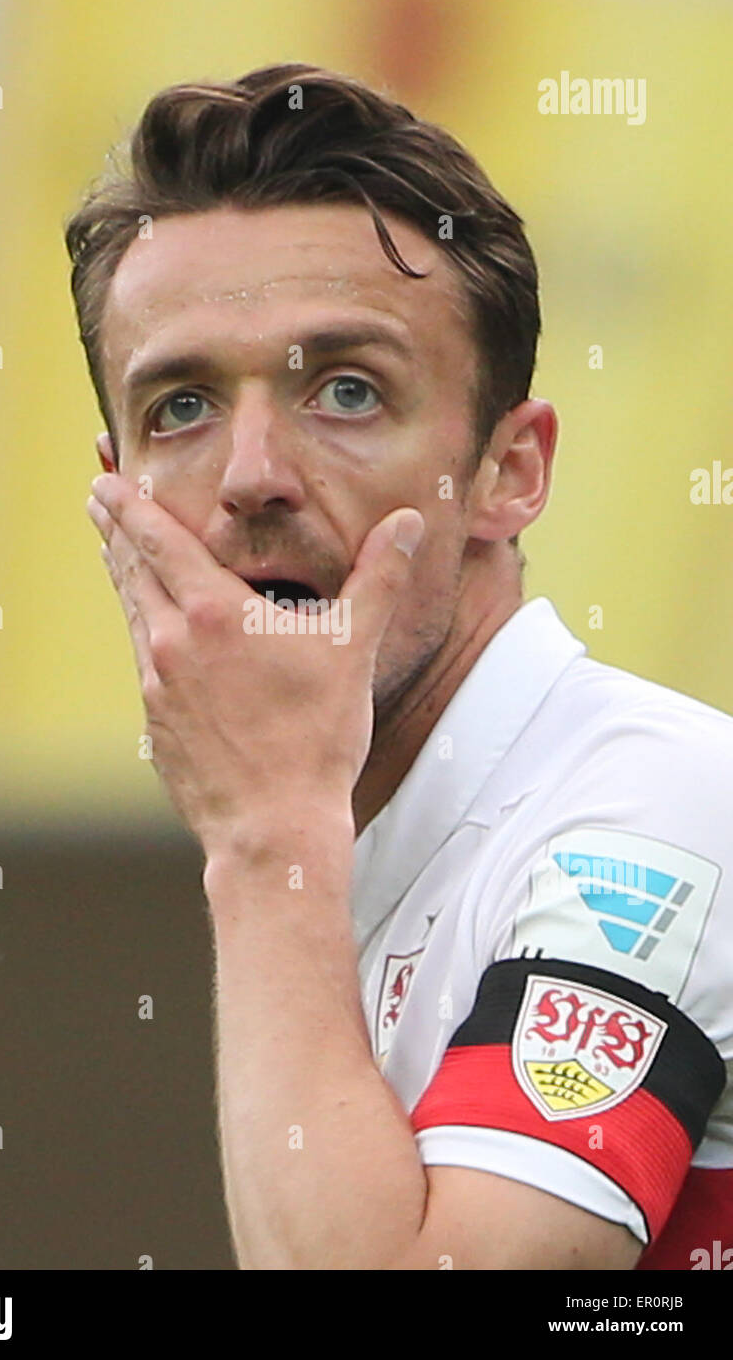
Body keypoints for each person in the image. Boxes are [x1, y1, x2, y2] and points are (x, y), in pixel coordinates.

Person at [68, 63, 733, 1270]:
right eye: (180, 407)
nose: (251, 473)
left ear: (508, 471)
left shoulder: (659, 809)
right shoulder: (347, 854)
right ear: (115, 491)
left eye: (346, 389)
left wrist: (266, 836)